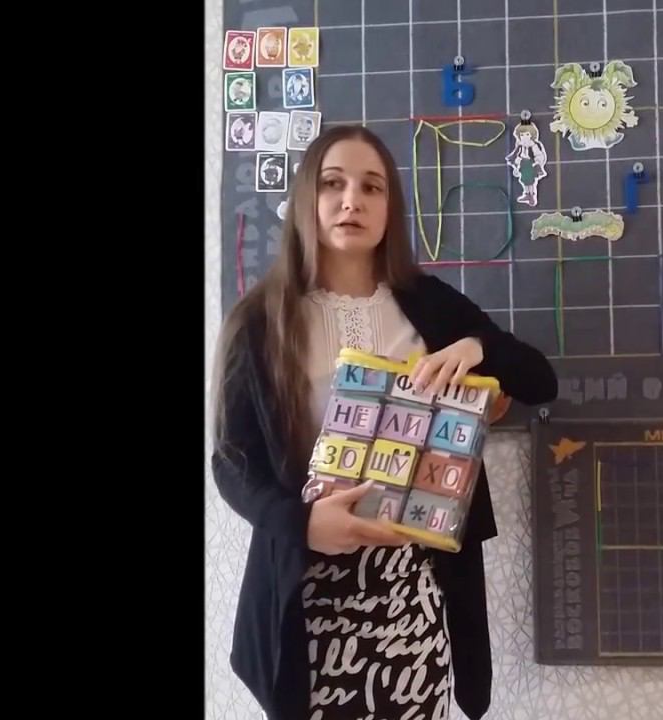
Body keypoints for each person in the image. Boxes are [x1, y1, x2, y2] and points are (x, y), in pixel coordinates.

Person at [212, 125, 557, 720]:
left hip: (415, 586)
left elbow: (539, 380)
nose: (352, 200)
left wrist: (478, 348)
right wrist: (302, 523)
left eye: (372, 187)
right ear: (307, 197)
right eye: (333, 183)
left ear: (390, 208)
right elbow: (231, 460)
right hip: (305, 582)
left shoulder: (431, 303)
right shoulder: (261, 320)